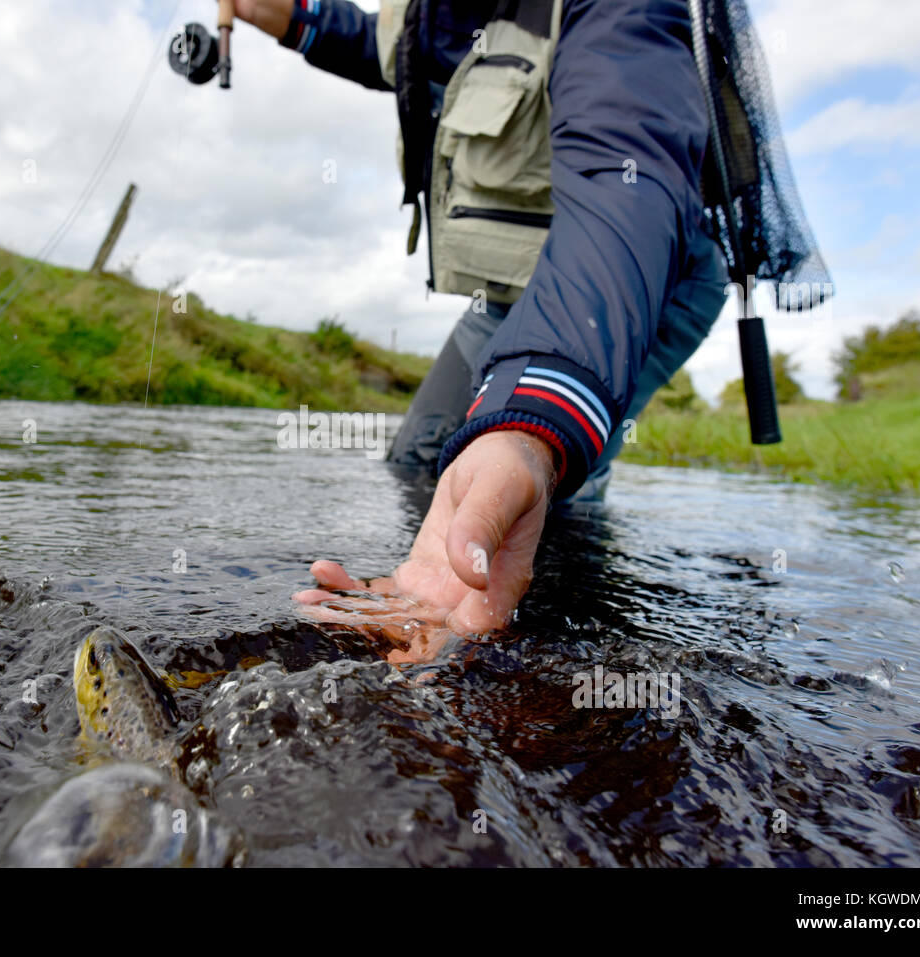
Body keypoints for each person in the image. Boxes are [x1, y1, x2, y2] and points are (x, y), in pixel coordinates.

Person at [221, 0, 821, 645]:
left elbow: (627, 181)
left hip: (647, 273)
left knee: (540, 466)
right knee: (424, 458)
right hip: (517, 287)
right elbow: (396, 46)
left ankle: (557, 652)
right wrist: (293, 16)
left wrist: (532, 423)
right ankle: (448, 591)